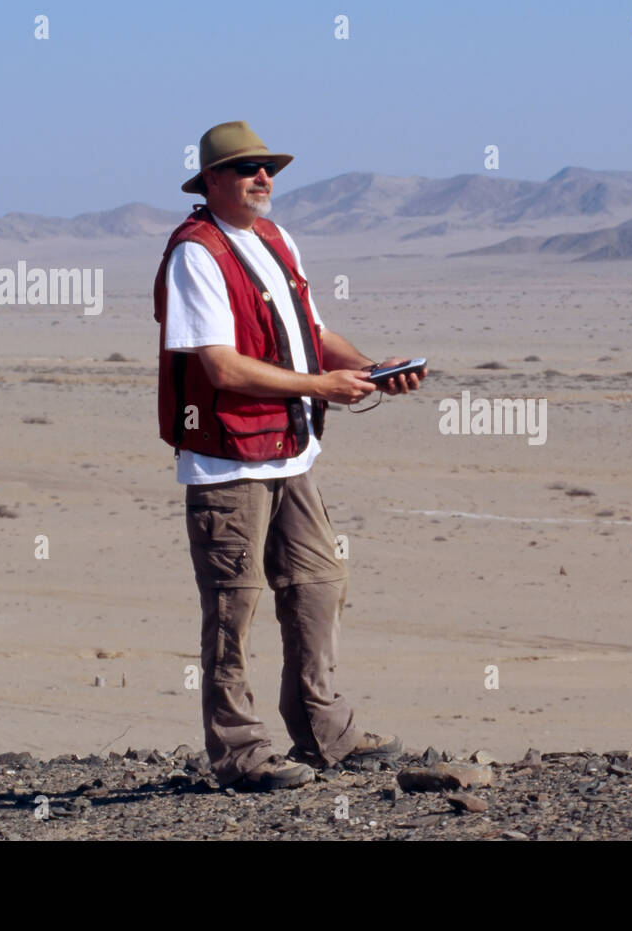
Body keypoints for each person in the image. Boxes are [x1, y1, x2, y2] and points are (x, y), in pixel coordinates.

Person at [152, 121, 426, 791]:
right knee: (232, 608)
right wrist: (322, 386)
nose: (263, 177)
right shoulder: (197, 253)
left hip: (287, 451)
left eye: (268, 167)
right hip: (228, 462)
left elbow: (312, 334)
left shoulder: (274, 239)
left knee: (318, 583)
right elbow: (220, 367)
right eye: (247, 168)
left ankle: (324, 730)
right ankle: (241, 755)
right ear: (211, 180)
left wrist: (369, 367)